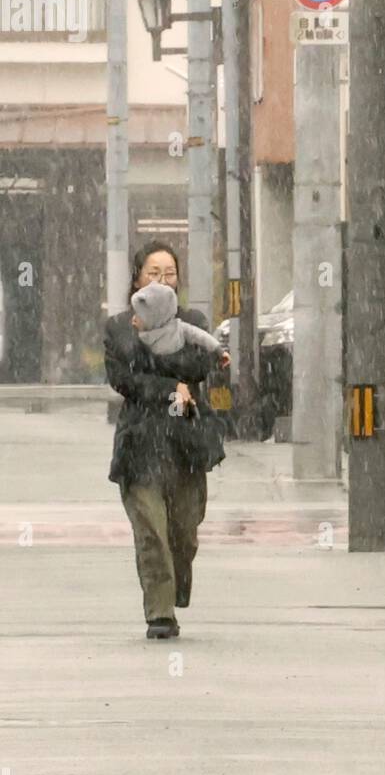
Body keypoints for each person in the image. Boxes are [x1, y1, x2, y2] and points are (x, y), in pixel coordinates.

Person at [104, 241, 227, 640]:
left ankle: (176, 584)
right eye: (153, 273)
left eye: (169, 273)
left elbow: (203, 363)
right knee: (151, 532)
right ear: (137, 279)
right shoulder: (120, 327)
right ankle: (160, 614)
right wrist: (171, 385)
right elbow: (125, 379)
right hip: (139, 447)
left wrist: (170, 363)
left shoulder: (192, 320)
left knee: (184, 533)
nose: (161, 280)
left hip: (186, 444)